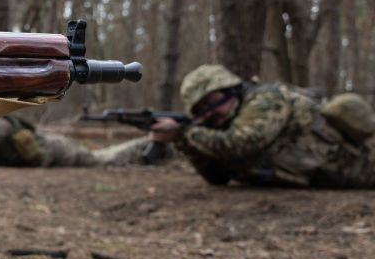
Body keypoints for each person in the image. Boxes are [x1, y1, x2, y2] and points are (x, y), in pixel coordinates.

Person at [149, 64, 375, 187]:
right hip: (328, 180)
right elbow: (217, 177)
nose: (211, 113)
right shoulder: (220, 128)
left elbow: (242, 143)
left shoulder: (267, 99)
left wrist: (186, 132)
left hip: (364, 168)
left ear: (231, 90)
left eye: (212, 102)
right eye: (201, 109)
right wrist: (182, 141)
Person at [0, 115, 172, 167]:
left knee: (101, 159)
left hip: (54, 149)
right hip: (49, 146)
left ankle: (149, 143)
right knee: (100, 155)